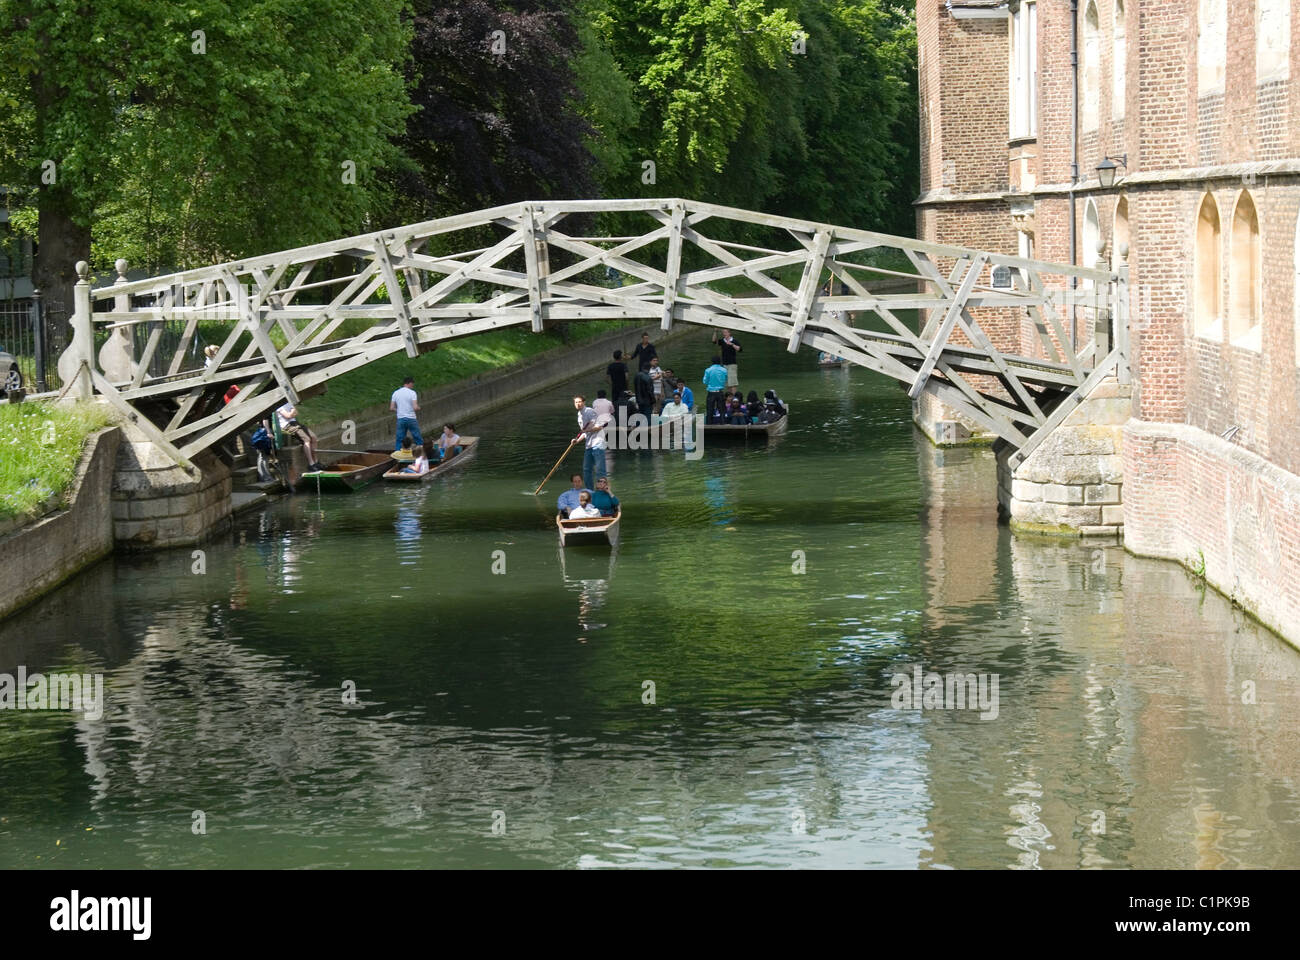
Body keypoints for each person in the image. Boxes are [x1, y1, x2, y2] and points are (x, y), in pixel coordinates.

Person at [572, 395, 608, 490]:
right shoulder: (579, 416)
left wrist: (587, 430)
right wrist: (576, 440)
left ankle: (602, 491)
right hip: (589, 445)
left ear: (584, 402)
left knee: (600, 470)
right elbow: (584, 433)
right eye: (576, 402)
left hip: (598, 442)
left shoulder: (589, 412)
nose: (578, 404)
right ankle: (589, 491)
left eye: (580, 401)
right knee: (586, 470)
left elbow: (600, 426)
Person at [276, 402, 324, 471]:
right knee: (306, 439)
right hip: (287, 425)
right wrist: (293, 411)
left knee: (313, 437)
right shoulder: (279, 406)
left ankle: (316, 461)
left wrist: (292, 413)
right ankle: (311, 464)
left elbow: (296, 413)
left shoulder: (288, 403)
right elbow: (288, 416)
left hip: (295, 423)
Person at [390, 375, 423, 452]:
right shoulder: (412, 393)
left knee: (399, 439)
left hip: (401, 419)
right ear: (409, 383)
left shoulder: (395, 393)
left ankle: (398, 456)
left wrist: (399, 410)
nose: (413, 386)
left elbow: (391, 408)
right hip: (411, 418)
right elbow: (415, 407)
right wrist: (418, 407)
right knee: (417, 438)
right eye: (412, 384)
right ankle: (421, 454)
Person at [702, 355, 728, 422]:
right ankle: (723, 424)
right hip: (720, 392)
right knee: (722, 410)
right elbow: (725, 380)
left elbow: (705, 381)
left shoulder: (708, 370)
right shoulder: (724, 370)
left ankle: (709, 424)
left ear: (712, 362)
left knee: (710, 410)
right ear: (720, 362)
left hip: (711, 392)